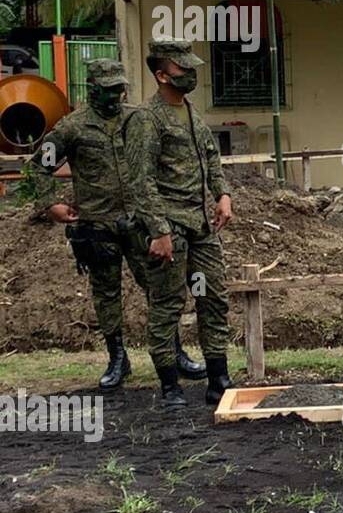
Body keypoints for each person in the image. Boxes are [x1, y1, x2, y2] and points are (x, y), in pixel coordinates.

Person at [26, 59, 206, 390]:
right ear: (92, 89)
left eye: (119, 89)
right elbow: (39, 166)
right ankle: (117, 359)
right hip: (98, 226)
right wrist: (51, 204)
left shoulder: (139, 120)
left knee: (160, 288)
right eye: (108, 90)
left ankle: (174, 351)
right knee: (107, 294)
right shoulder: (71, 127)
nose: (115, 96)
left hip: (141, 223)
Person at [134, 40, 234, 409]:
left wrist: (222, 194)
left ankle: (217, 377)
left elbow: (210, 155)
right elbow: (140, 182)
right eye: (182, 71)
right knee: (168, 304)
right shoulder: (148, 119)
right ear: (161, 75)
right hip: (169, 227)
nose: (191, 76)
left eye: (192, 70)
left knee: (211, 296)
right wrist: (158, 231)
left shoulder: (191, 113)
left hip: (200, 226)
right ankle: (170, 386)